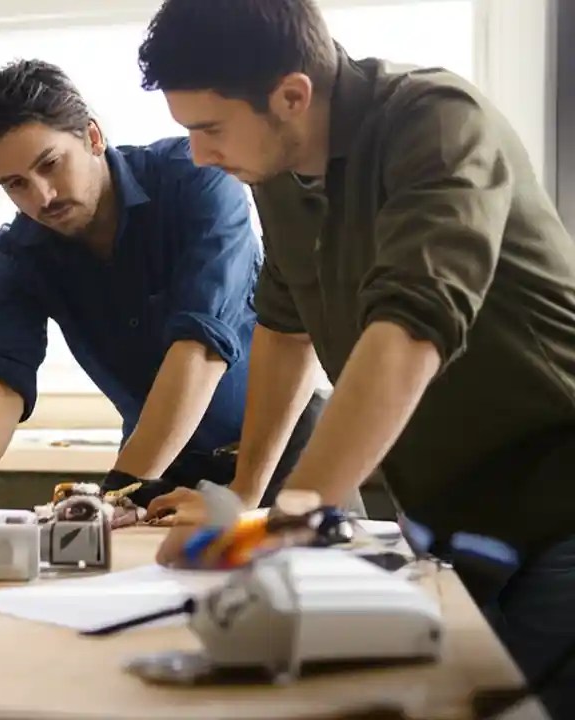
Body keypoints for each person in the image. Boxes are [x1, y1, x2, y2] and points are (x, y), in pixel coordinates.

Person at [136, 1, 575, 715]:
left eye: (209, 129)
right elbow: (285, 325)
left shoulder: (436, 122)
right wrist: (252, 495)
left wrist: (298, 516)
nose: (198, 155)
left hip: (559, 502)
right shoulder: (274, 172)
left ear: (291, 96)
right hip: (452, 521)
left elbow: (411, 329)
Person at [0, 59, 325, 519]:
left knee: (327, 585)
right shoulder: (21, 255)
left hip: (286, 449)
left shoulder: (199, 181)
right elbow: (0, 371)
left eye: (51, 165)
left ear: (93, 137)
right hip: (159, 467)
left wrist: (115, 492)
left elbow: (201, 345)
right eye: (16, 185)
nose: (42, 197)